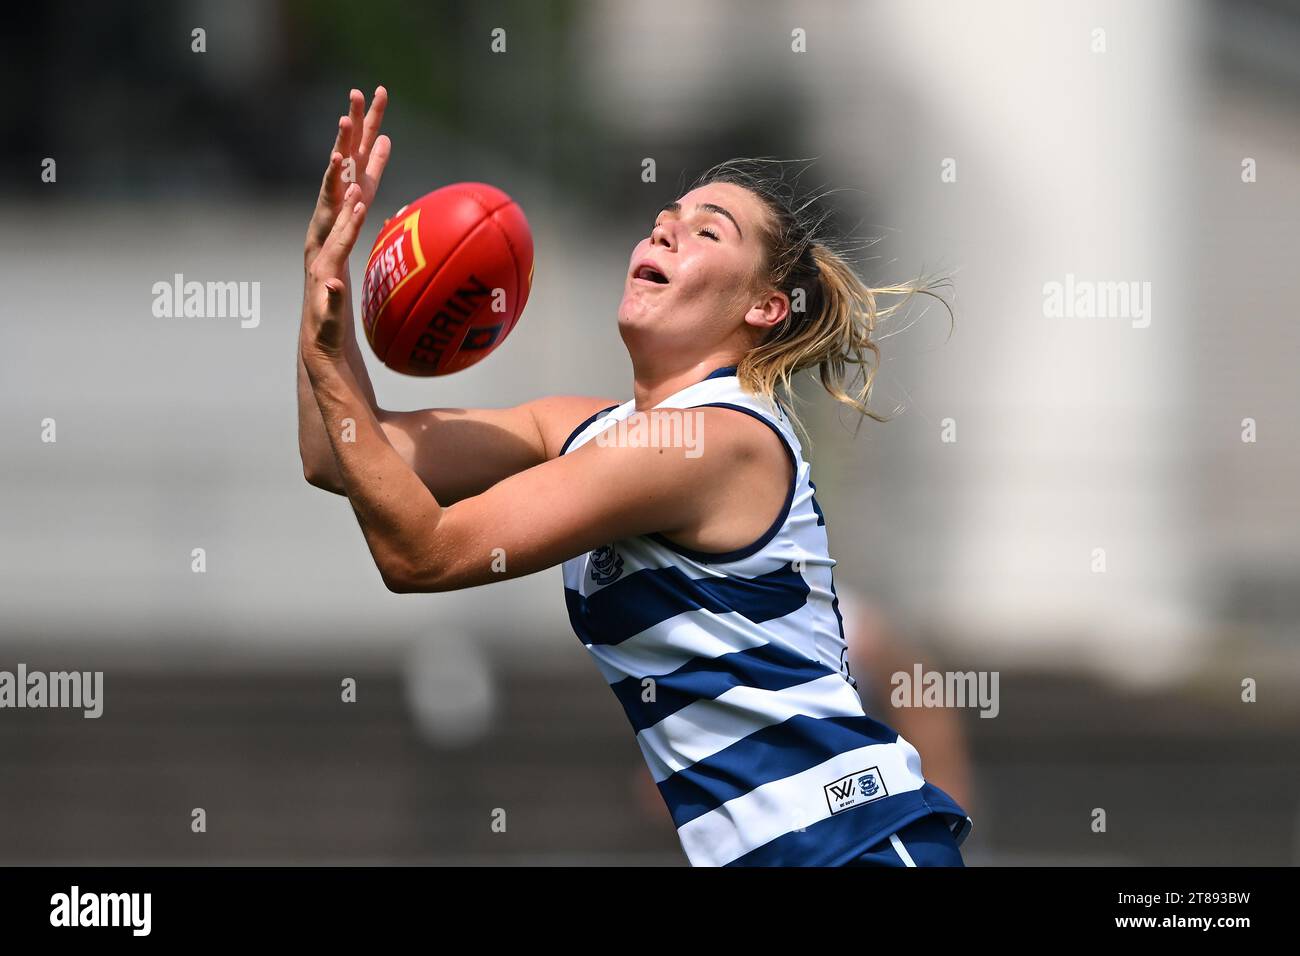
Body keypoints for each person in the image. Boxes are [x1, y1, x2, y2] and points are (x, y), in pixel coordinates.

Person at [298, 87, 971, 866]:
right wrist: (320, 269)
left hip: (852, 848)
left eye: (706, 230)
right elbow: (335, 452)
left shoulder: (714, 440)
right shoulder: (585, 429)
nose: (665, 228)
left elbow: (423, 552)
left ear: (762, 307)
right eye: (665, 220)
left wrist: (326, 357)